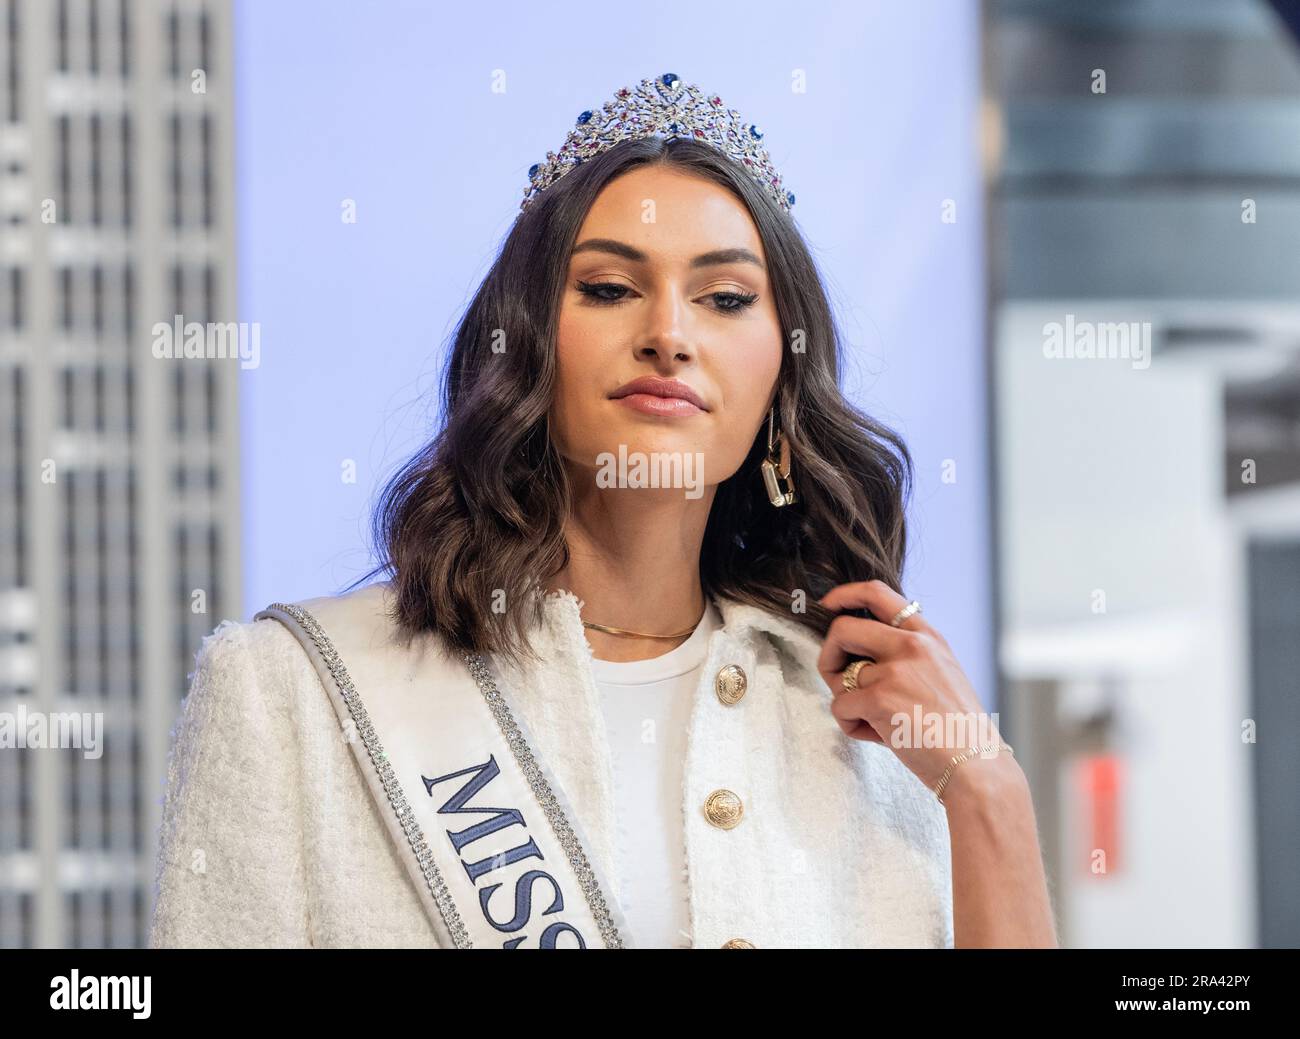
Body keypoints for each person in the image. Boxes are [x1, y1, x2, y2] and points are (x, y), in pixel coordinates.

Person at [149, 72, 1057, 949]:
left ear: (782, 376)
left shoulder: (863, 729)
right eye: (610, 288)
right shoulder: (293, 695)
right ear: (526, 348)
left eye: (727, 298)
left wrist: (987, 788)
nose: (669, 332)